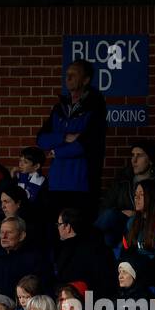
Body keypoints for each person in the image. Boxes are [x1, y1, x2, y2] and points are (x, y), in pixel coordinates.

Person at [36, 59, 107, 215]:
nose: (68, 78)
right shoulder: (59, 107)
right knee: (55, 230)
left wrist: (57, 152)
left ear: (86, 80)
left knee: (80, 231)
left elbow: (88, 144)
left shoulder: (95, 106)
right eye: (67, 75)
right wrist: (64, 136)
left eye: (74, 75)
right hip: (56, 183)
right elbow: (41, 139)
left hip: (81, 184)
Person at [54, 207, 117, 299]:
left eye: (59, 224)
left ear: (68, 227)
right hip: (97, 301)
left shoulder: (68, 250)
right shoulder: (97, 245)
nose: (58, 228)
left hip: (79, 302)